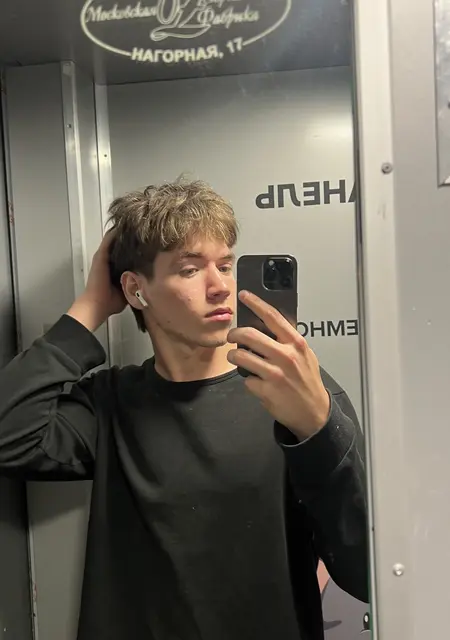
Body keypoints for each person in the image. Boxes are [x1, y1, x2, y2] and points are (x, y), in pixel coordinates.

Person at [0, 179, 368, 640]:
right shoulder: (113, 403)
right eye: (190, 270)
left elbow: (364, 570)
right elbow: (9, 434)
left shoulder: (295, 390)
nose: (221, 287)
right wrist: (91, 306)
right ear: (136, 289)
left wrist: (317, 427)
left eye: (226, 265)